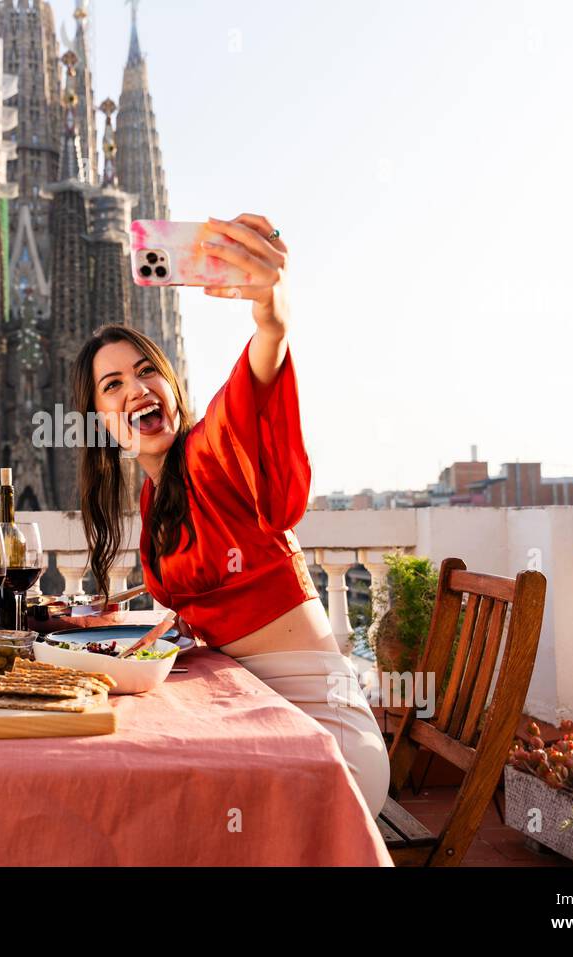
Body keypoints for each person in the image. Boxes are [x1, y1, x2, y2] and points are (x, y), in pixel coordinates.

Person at [72, 213, 389, 817]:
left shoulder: (212, 454)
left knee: (150, 801)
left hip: (322, 736)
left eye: (146, 372)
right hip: (253, 712)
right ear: (98, 421)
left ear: (170, 385)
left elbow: (260, 367)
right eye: (111, 386)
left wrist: (270, 308)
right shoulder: (155, 496)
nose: (136, 390)